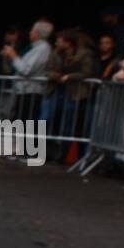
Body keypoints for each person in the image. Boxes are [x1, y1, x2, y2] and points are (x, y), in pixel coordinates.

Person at [42, 29, 97, 162]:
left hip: (74, 94)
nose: (56, 43)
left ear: (68, 43)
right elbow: (47, 70)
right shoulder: (55, 54)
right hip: (55, 91)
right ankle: (45, 151)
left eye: (59, 41)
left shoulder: (84, 54)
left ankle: (63, 155)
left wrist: (69, 77)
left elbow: (87, 72)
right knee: (47, 120)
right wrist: (57, 76)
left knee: (68, 125)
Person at [3, 19, 54, 122]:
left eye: (32, 30)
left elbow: (26, 69)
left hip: (31, 92)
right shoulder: (34, 47)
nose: (30, 33)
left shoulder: (43, 48)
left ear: (37, 33)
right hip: (23, 91)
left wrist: (13, 55)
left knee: (27, 125)